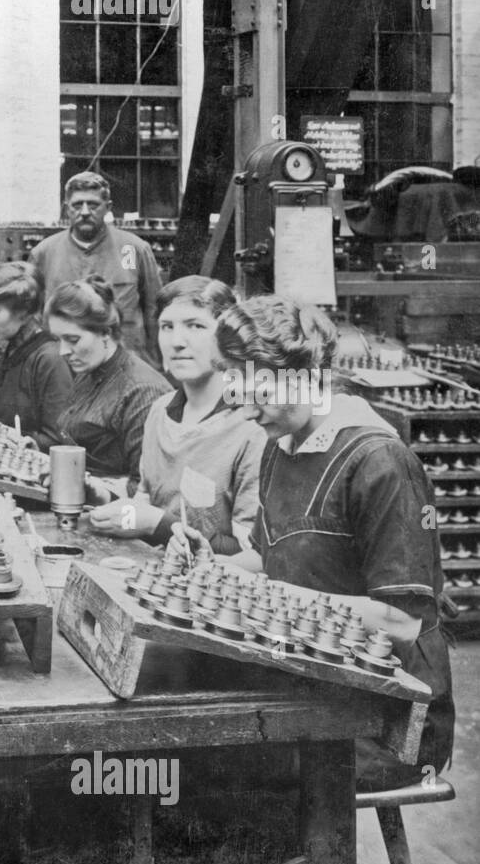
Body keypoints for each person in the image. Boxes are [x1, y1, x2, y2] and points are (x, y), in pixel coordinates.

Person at [210, 295, 454, 791]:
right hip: (317, 676)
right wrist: (212, 568)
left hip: (389, 713)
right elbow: (270, 557)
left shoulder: (380, 461)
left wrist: (280, 599)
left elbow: (402, 621)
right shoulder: (282, 446)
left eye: (259, 391)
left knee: (227, 770)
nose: (246, 409)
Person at [90, 275, 265, 552]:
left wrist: (158, 525)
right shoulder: (160, 410)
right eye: (166, 327)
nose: (177, 342)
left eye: (195, 326)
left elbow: (253, 553)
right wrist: (102, 497)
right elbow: (145, 506)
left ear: (228, 336)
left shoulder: (252, 424)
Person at [47, 276, 167, 498]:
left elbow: (147, 489)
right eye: (58, 339)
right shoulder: (89, 372)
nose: (63, 351)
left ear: (106, 333)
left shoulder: (141, 391)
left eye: (72, 340)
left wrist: (96, 490)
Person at [29, 171, 163, 362]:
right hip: (65, 365)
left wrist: (156, 362)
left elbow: (154, 310)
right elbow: (33, 318)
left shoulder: (134, 249)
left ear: (108, 207)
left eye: (93, 205)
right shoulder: (43, 254)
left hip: (125, 362)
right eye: (77, 205)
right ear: (67, 208)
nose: (84, 212)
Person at [0, 261, 72, 449]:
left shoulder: (50, 359)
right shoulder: (10, 348)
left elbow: (61, 439)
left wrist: (31, 442)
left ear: (24, 314)